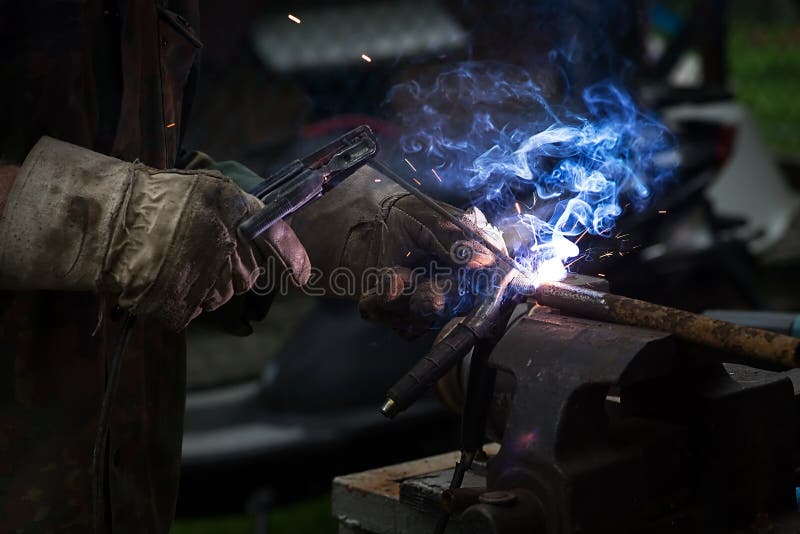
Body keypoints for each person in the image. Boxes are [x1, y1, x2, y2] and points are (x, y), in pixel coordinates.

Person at [0, 1, 498, 531]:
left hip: (117, 479)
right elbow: (130, 196)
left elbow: (146, 158)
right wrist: (109, 219)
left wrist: (303, 220)